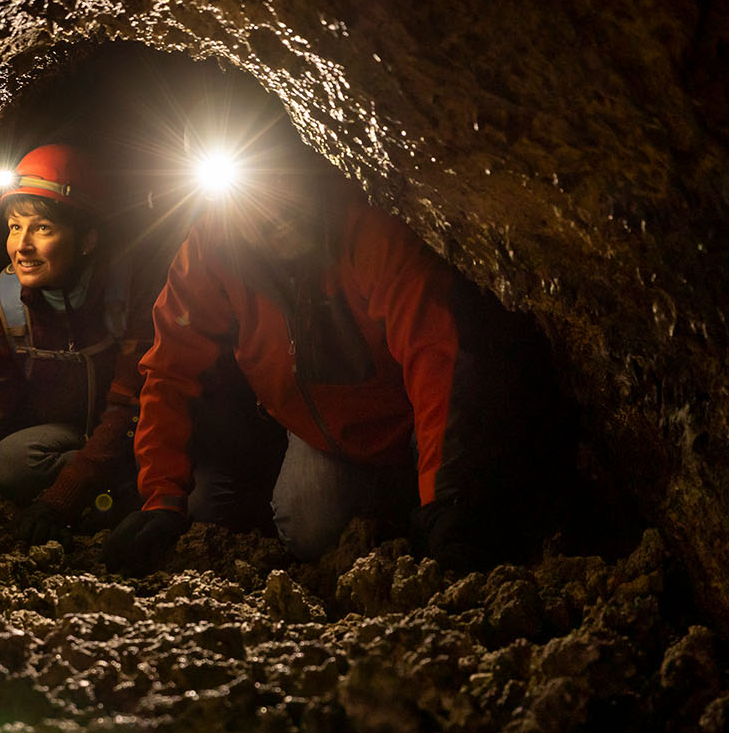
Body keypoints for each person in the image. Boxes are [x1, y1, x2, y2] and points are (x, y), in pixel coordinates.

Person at [104, 126, 559, 575]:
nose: (271, 208)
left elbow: (436, 352)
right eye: (251, 193)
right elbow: (170, 370)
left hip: (413, 418)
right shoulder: (209, 251)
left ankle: (436, 495)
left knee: (471, 501)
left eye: (283, 180)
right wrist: (161, 497)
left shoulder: (366, 229)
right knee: (311, 527)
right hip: (329, 437)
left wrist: (450, 500)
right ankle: (402, 504)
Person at [0, 143, 153, 545]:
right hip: (73, 434)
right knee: (9, 462)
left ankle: (124, 486)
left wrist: (61, 499)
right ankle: (117, 487)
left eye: (43, 228)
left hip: (139, 429)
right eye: (15, 227)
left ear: (87, 240)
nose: (23, 245)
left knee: (191, 482)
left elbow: (128, 406)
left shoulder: (128, 293)